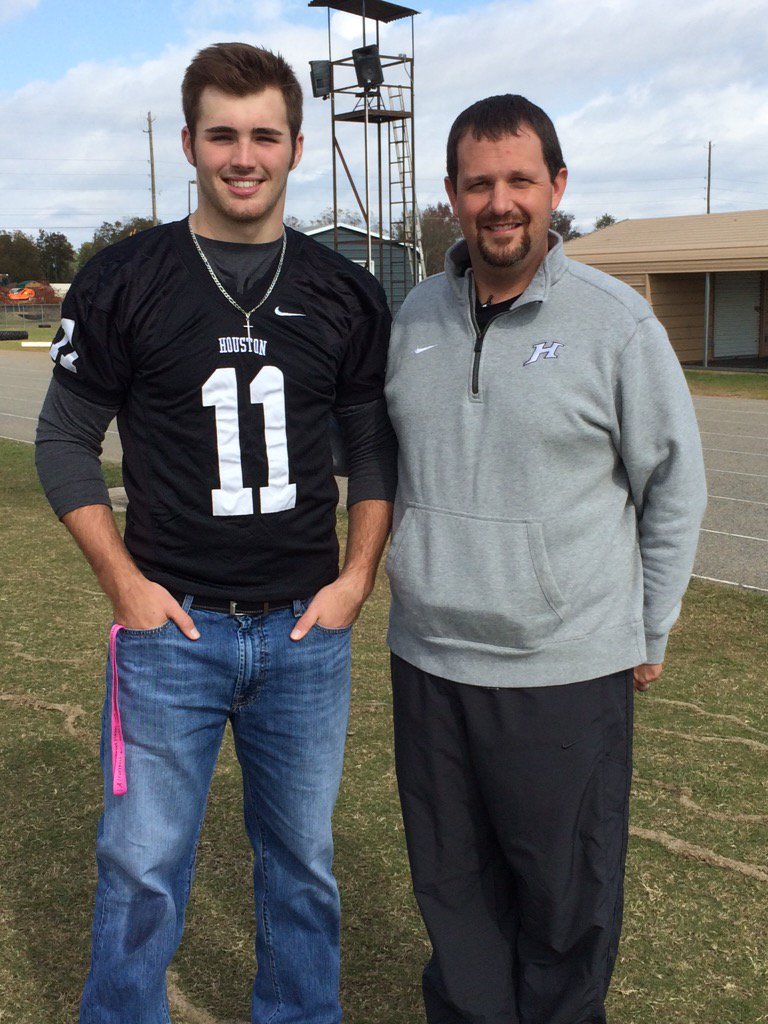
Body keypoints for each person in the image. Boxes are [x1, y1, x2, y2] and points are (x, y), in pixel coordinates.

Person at [35, 42, 396, 1024]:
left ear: (297, 146)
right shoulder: (126, 278)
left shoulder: (343, 289)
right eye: (225, 134)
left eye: (264, 135)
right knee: (144, 863)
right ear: (192, 142)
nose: (246, 154)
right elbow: (64, 439)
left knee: (303, 866)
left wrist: (357, 577)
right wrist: (123, 584)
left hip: (303, 631)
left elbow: (374, 446)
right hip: (172, 629)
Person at [384, 94, 707, 1024]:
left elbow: (674, 485)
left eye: (520, 179)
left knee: (565, 902)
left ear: (557, 187)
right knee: (453, 890)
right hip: (431, 661)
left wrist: (650, 625)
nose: (500, 202)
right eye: (479, 183)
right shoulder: (413, 319)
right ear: (450, 194)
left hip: (565, 666)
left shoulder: (618, 325)